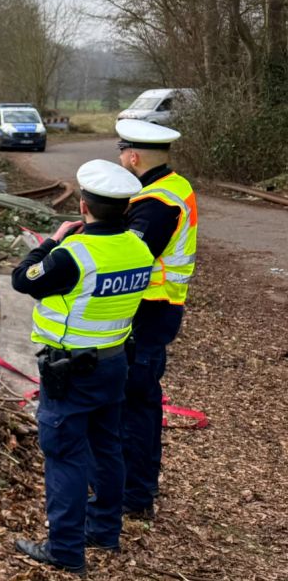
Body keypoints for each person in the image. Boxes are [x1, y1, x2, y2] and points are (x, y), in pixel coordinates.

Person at [11, 160, 155, 575]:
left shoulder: (72, 255)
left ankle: (66, 549)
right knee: (107, 447)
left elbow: (24, 279)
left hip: (71, 371)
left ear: (83, 206)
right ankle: (105, 531)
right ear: (125, 208)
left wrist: (51, 241)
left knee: (65, 456)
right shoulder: (139, 248)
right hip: (114, 362)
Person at [114, 119, 197, 519]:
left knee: (135, 402)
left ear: (133, 156)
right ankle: (141, 487)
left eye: (122, 154)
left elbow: (132, 255)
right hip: (162, 307)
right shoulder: (174, 186)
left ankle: (135, 495)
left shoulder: (155, 203)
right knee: (144, 402)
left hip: (149, 308)